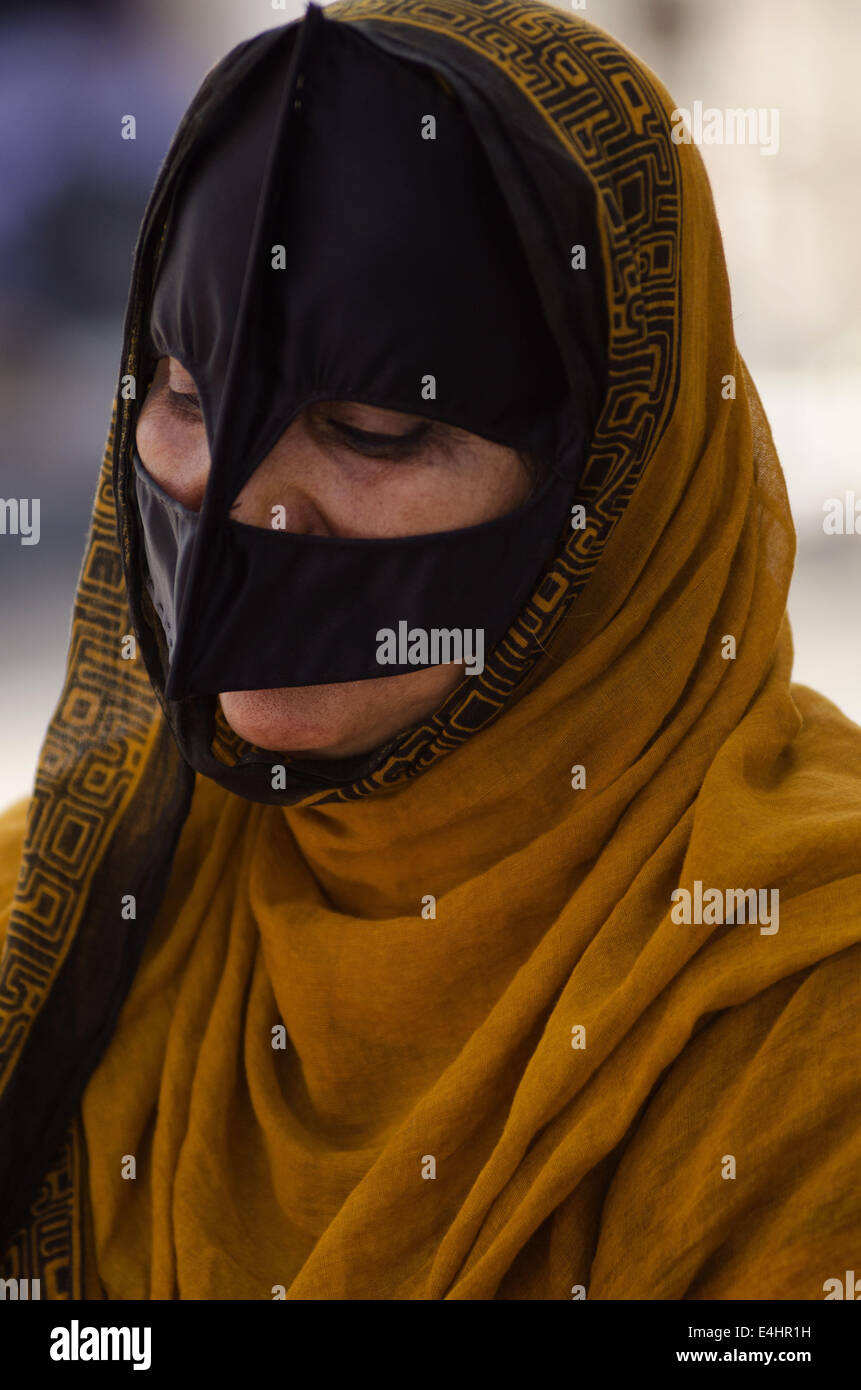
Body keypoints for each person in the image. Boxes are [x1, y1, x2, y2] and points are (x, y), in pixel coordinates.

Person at [1, 0, 859, 1302]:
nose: (248, 506)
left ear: (607, 474)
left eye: (372, 429)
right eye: (188, 394)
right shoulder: (58, 918)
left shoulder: (803, 995)